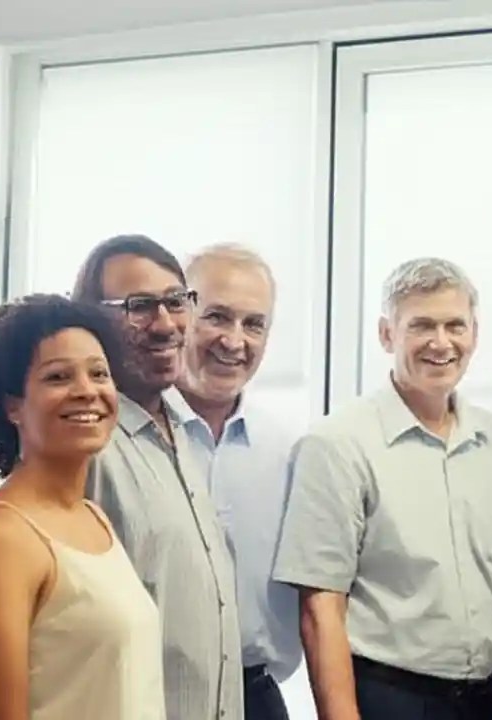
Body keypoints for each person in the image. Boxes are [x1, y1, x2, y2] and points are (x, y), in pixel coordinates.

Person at [273, 257, 492, 720]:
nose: (441, 342)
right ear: (387, 334)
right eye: (421, 326)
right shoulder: (337, 444)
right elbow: (320, 609)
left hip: (484, 702)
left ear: (475, 333)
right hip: (389, 698)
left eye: (455, 325)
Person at [0, 294, 165, 719]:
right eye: (58, 377)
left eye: (99, 373)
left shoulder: (93, 517)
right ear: (13, 405)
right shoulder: (0, 537)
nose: (86, 391)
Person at [73, 234, 244, 720]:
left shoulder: (184, 434)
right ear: (91, 321)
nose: (165, 324)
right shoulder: (89, 449)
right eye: (139, 306)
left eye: (176, 301)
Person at [169, 243, 302, 720]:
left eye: (254, 324)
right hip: (148, 696)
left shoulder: (291, 452)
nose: (234, 340)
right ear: (180, 315)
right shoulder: (124, 439)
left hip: (257, 698)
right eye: (217, 317)